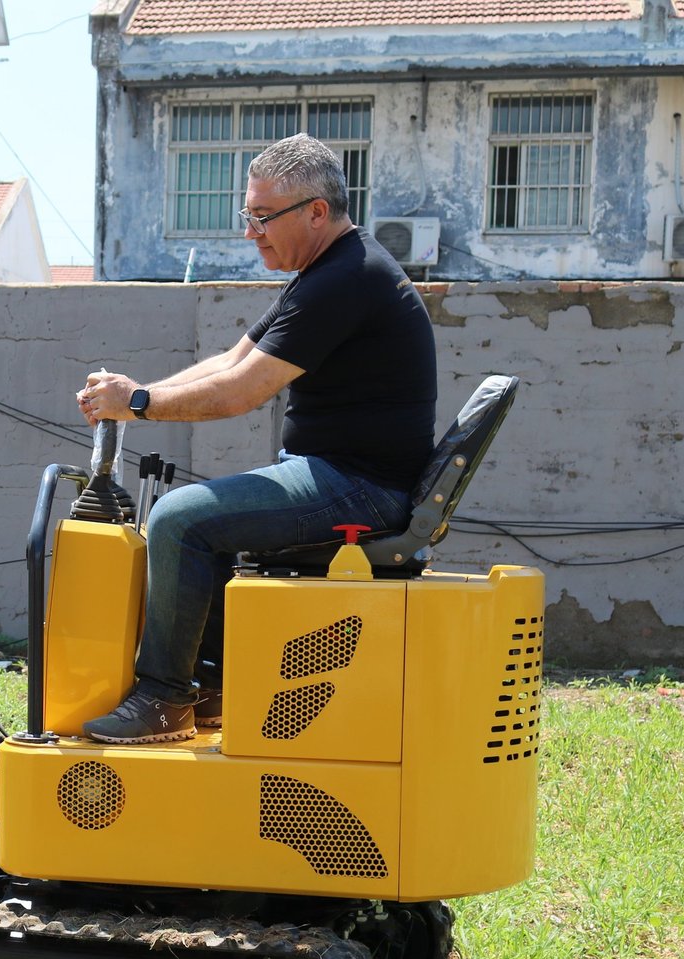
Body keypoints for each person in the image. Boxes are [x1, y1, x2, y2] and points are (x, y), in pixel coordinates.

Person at [73, 133, 437, 744]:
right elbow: (229, 359)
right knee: (204, 523)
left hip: (360, 489)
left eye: (263, 217)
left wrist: (136, 404)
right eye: (249, 215)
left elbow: (242, 392)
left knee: (178, 520)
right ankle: (208, 688)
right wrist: (137, 392)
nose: (251, 232)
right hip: (345, 476)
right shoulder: (328, 272)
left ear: (316, 211)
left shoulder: (346, 279)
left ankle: (163, 700)